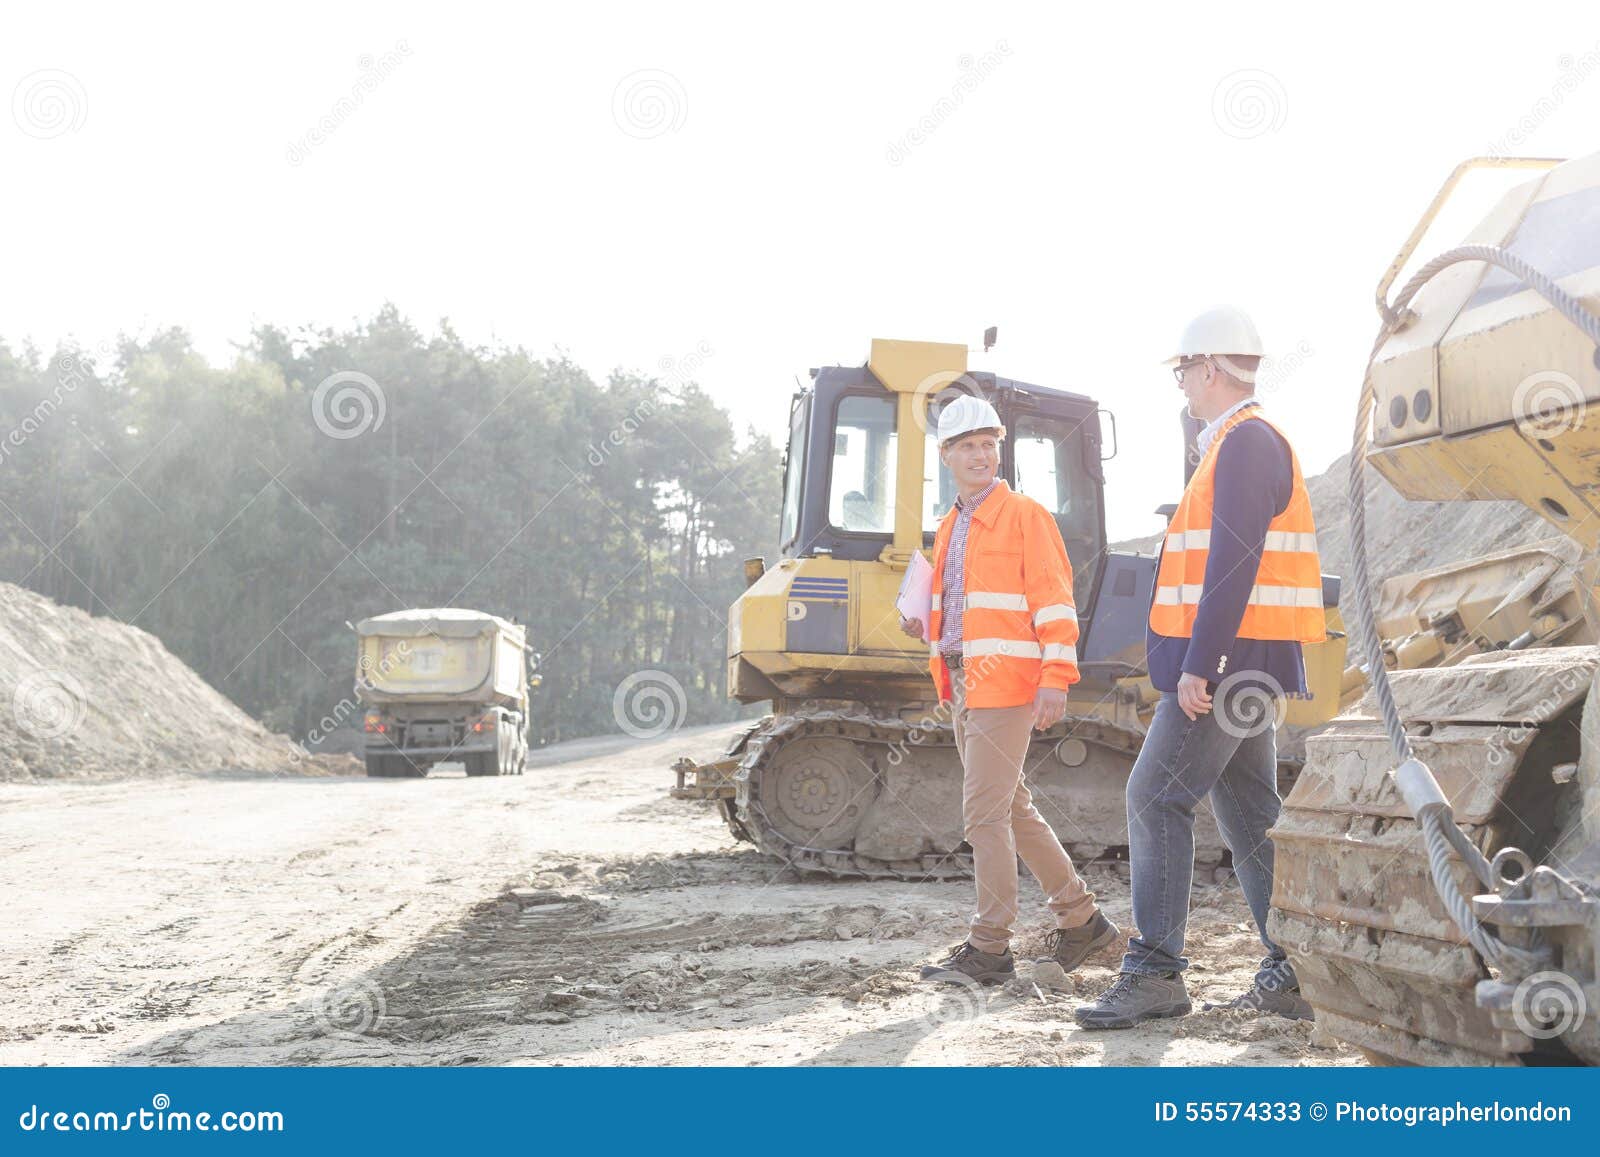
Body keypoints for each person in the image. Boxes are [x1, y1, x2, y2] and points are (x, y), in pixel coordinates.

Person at [1076, 305, 1324, 1029]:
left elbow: (1233, 563)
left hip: (1229, 663)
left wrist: (1202, 661)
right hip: (1247, 663)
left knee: (1156, 797)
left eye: (1184, 369)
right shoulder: (1234, 444)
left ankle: (1155, 970)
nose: (1181, 382)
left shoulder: (1245, 445)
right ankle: (1295, 967)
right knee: (1248, 813)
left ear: (1210, 368)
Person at [901, 394, 1118, 987]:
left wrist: (1055, 679)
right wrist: (924, 622)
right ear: (946, 455)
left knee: (983, 815)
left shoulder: (1025, 515)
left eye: (988, 445)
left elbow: (1055, 605)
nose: (980, 455)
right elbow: (963, 609)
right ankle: (1082, 921)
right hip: (966, 680)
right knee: (1013, 810)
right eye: (967, 446)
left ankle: (990, 946)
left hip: (1009, 685)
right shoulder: (950, 526)